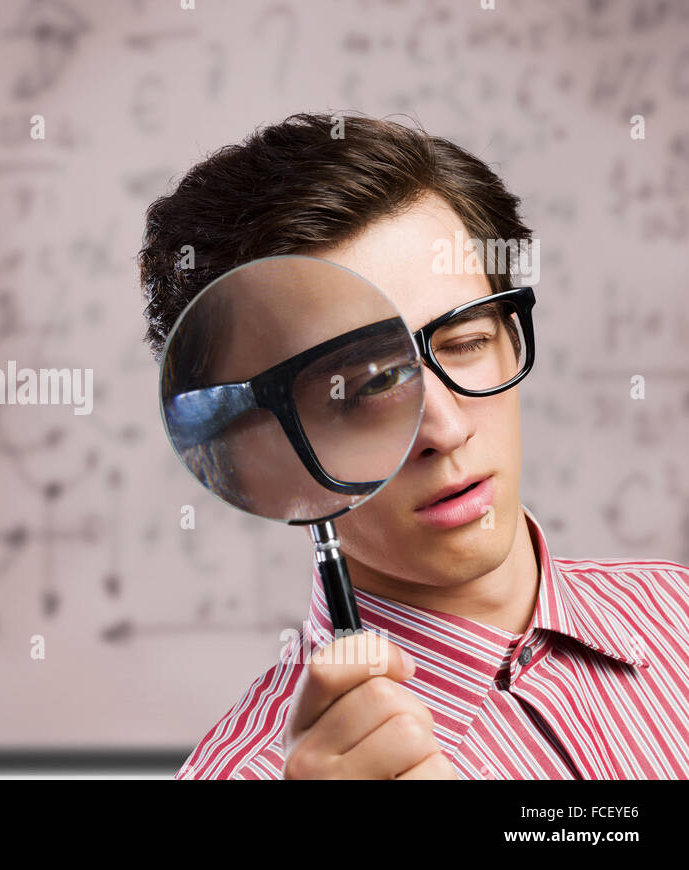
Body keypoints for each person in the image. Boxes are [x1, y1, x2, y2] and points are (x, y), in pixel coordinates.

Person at [138, 112, 689, 779]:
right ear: (252, 449)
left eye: (466, 343)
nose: (446, 430)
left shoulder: (677, 607)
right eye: (366, 389)